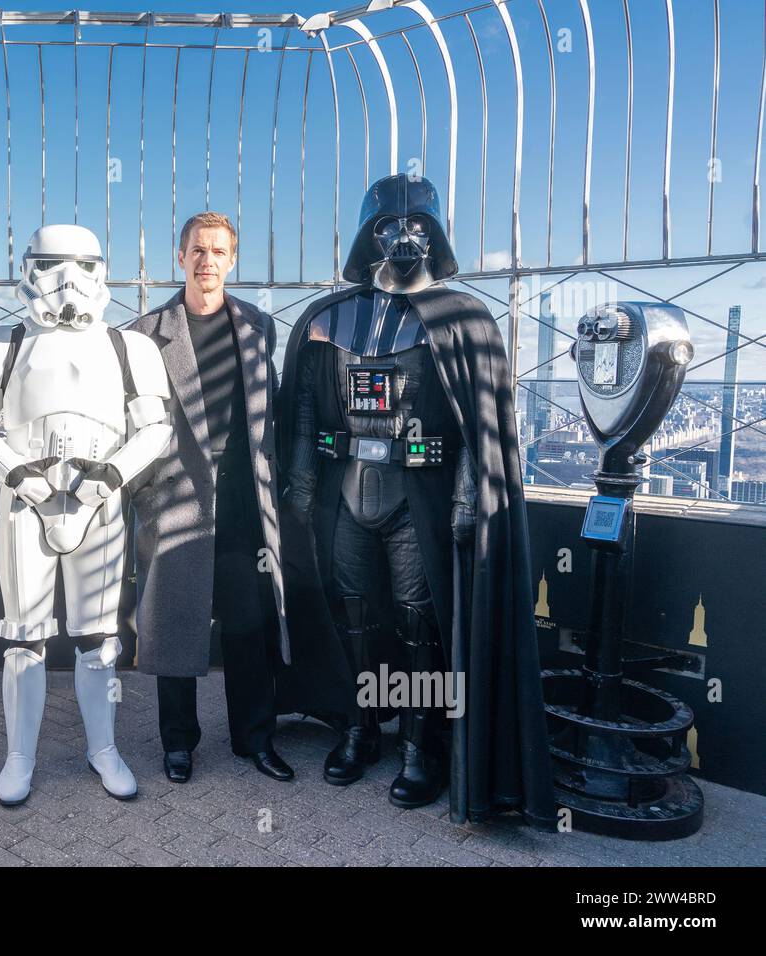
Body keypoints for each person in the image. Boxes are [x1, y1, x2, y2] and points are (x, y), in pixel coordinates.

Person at [277, 174, 555, 827]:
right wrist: (301, 480)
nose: (404, 236)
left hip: (417, 497)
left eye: (417, 225)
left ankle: (418, 745)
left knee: (416, 625)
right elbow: (306, 407)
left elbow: (478, 428)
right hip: (346, 490)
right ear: (365, 234)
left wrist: (467, 496)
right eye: (388, 225)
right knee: (354, 616)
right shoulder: (326, 318)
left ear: (435, 233)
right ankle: (360, 726)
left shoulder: (462, 319)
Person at [0, 224, 172, 807]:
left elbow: (155, 427)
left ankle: (103, 748)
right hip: (23, 503)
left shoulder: (132, 348)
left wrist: (109, 477)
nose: (68, 280)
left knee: (98, 638)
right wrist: (19, 473)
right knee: (23, 638)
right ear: (29, 268)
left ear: (103, 271)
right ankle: (18, 756)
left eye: (83, 265)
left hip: (99, 503)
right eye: (53, 264)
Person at [128, 211, 294, 784]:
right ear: (181, 257)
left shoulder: (258, 326)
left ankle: (255, 738)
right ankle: (178, 742)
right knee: (177, 621)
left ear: (232, 258)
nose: (208, 261)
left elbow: (269, 410)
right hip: (176, 496)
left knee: (248, 626)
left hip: (245, 498)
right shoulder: (145, 334)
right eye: (198, 250)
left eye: (218, 251)